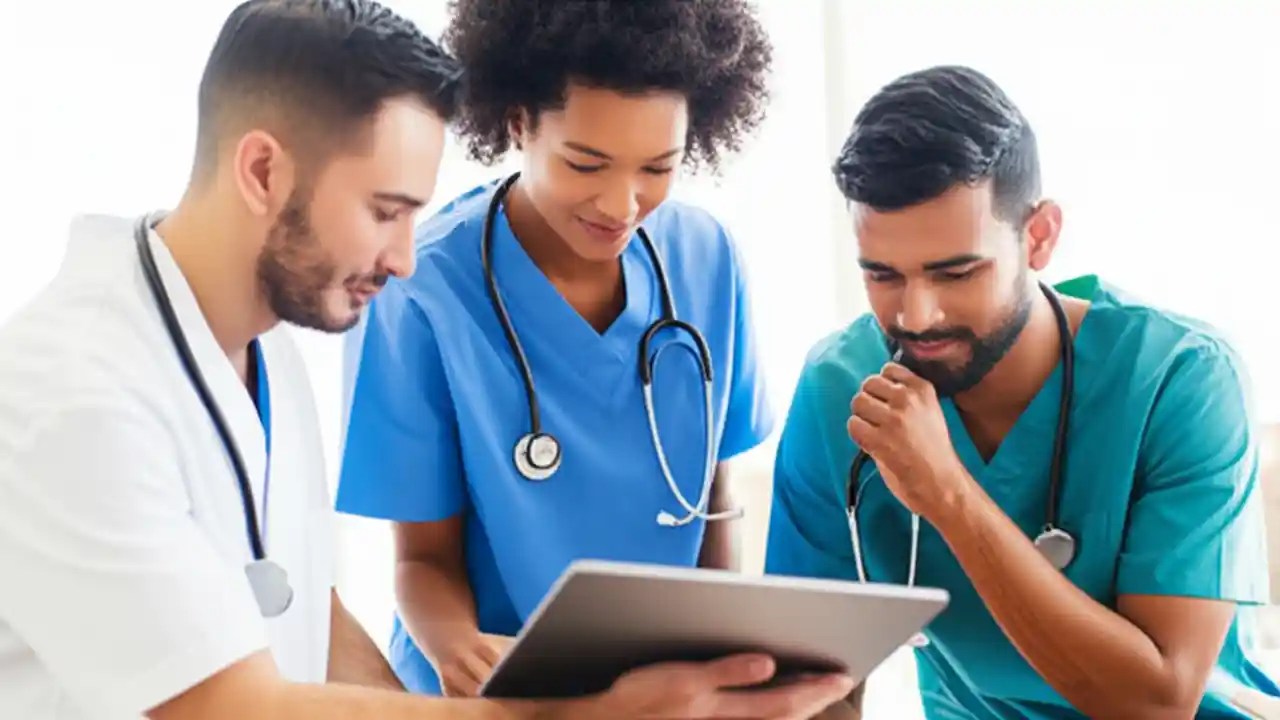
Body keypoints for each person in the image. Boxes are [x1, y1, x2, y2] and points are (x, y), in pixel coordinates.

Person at [0, 2, 855, 719]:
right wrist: (565, 714)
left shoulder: (257, 348)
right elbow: (231, 705)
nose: (409, 259)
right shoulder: (75, 396)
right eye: (385, 211)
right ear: (262, 169)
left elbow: (303, 613)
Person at [764, 64, 1280, 719]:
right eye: (883, 275)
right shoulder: (840, 386)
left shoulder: (1183, 379)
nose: (916, 315)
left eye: (955, 273)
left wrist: (948, 495)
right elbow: (811, 685)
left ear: (1038, 237)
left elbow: (1157, 705)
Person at [335, 0, 777, 698]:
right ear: (518, 122)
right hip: (493, 690)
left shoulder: (707, 260)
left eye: (657, 168)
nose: (622, 205)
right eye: (586, 163)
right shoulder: (420, 292)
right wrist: (462, 655)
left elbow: (715, 503)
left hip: (660, 691)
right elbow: (421, 559)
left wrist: (722, 675)